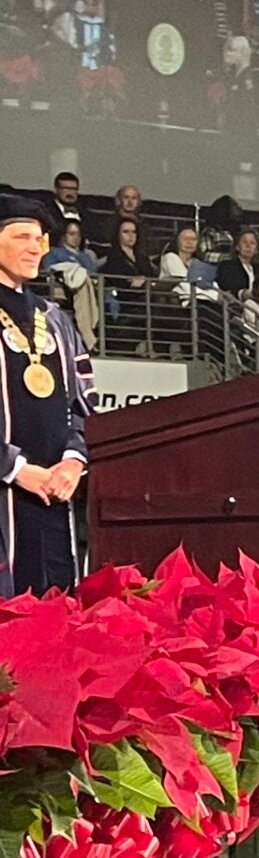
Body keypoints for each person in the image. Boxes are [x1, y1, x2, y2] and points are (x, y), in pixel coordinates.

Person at [0, 193, 94, 595]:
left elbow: (84, 404)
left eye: (39, 239)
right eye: (22, 236)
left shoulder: (56, 319)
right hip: (6, 493)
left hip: (57, 492)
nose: (35, 248)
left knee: (56, 614)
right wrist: (18, 471)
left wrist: (73, 462)